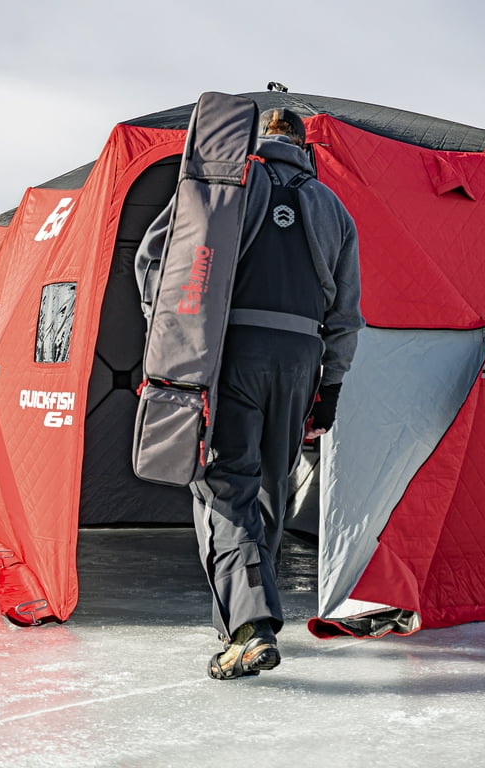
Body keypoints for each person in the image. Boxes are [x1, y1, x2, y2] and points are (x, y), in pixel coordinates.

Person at [135, 106, 363, 679]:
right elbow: (346, 315)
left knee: (223, 486)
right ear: (305, 147)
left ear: (258, 140)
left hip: (231, 349)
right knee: (268, 491)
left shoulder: (224, 184)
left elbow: (154, 258)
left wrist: (173, 330)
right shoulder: (334, 209)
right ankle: (246, 618)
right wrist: (330, 386)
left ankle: (249, 628)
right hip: (301, 360)